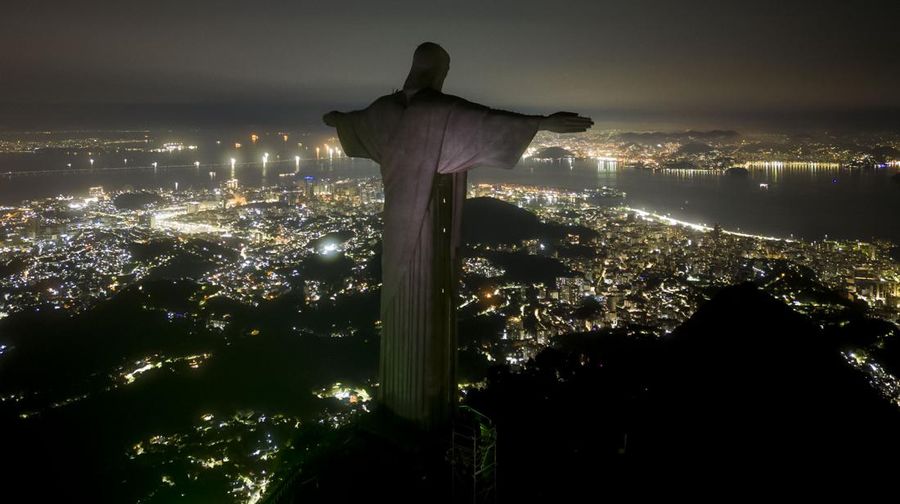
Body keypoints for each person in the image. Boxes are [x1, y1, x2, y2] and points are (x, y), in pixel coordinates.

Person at [324, 42, 592, 430]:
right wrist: (543, 122)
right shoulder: (440, 110)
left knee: (399, 301)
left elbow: (352, 121)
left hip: (394, 228)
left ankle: (402, 406)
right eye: (444, 69)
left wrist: (334, 118)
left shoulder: (382, 110)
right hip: (430, 223)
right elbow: (490, 121)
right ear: (437, 71)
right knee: (429, 295)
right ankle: (425, 416)